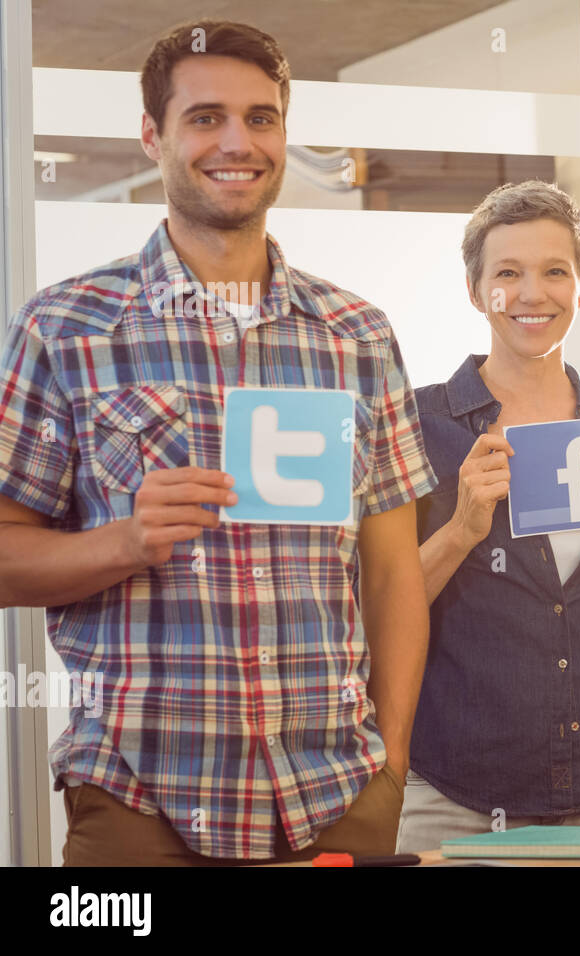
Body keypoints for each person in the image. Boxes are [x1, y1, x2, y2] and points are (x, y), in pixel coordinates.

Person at [0, 20, 434, 864]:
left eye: (261, 118)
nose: (237, 142)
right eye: (205, 118)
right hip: (137, 801)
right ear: (153, 137)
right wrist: (125, 540)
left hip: (336, 796)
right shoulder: (64, 328)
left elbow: (392, 569)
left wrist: (394, 756)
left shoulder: (358, 334)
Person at [396, 181, 580, 850]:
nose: (532, 294)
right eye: (507, 273)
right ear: (476, 290)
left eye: (555, 271)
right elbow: (378, 614)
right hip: (457, 793)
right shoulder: (417, 427)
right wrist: (460, 529)